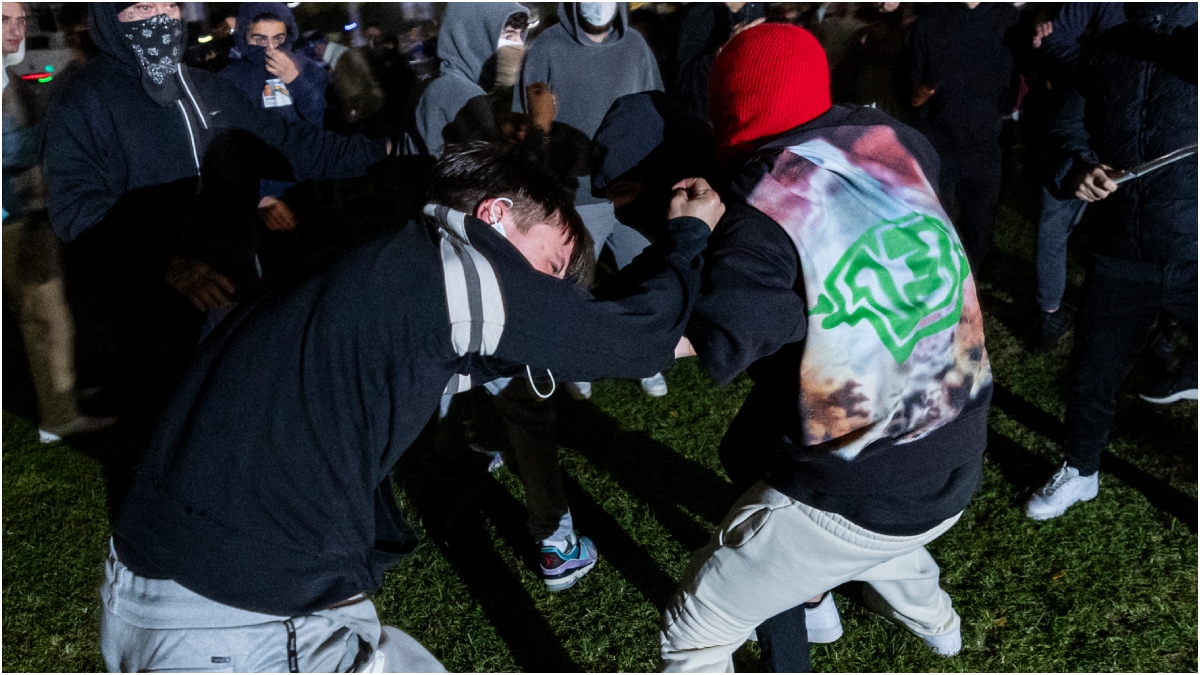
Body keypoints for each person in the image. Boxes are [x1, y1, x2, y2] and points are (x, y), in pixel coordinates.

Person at [99, 141, 723, 671]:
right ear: (495, 214)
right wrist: (690, 235)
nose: (550, 292)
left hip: (184, 587)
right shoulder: (458, 273)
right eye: (551, 266)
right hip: (242, 617)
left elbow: (508, 354)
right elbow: (634, 341)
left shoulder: (387, 270)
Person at [658, 24, 993, 672]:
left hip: (858, 487)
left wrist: (691, 236)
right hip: (960, 440)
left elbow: (720, 343)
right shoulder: (898, 140)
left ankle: (817, 593)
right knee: (865, 520)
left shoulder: (760, 210)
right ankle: (941, 626)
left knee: (692, 630)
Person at [41, 2, 389, 421]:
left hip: (235, 293)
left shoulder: (211, 89)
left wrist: (388, 150)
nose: (163, 17)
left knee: (252, 424)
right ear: (109, 20)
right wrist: (165, 262)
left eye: (170, 4)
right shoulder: (81, 99)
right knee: (178, 429)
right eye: (142, 7)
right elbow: (76, 209)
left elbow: (295, 146)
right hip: (156, 312)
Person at [1024, 3, 1197, 520]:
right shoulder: (1103, 50)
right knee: (1092, 373)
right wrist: (1076, 166)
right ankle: (1080, 470)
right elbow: (1064, 128)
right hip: (1120, 247)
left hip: (1196, 247)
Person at [515, 1, 669, 398]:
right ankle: (576, 363)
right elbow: (527, 119)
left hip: (632, 189)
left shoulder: (636, 46)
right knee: (575, 286)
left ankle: (644, 358)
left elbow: (657, 106)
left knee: (646, 278)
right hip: (577, 194)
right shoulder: (546, 47)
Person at [3, 1, 109, 442]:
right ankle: (59, 411)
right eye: (5, 20)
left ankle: (60, 393)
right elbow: (8, 150)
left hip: (24, 210)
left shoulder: (9, 75)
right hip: (13, 217)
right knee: (45, 313)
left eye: (21, 19)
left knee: (46, 312)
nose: (17, 28)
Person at [1029, 2, 1125, 353]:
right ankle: (1049, 315)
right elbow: (1056, 37)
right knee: (1055, 216)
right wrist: (1100, 70)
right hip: (1084, 111)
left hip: (1153, 126)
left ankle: (1160, 334)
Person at [910, 2, 1020, 272]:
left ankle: (966, 298)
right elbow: (911, 86)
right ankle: (931, 295)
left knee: (978, 233)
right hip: (936, 145)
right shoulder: (930, 19)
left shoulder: (1011, 21)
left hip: (986, 144)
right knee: (931, 229)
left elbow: (1028, 74)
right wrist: (921, 95)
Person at [409, 2, 535, 157]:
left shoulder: (441, 82)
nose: (520, 44)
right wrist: (540, 129)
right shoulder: (463, 94)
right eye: (509, 35)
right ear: (475, 38)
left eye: (520, 35)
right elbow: (498, 175)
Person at [672, 2, 764, 124]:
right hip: (715, 126)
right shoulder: (702, 13)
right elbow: (688, 86)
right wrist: (723, 54)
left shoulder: (763, 8)